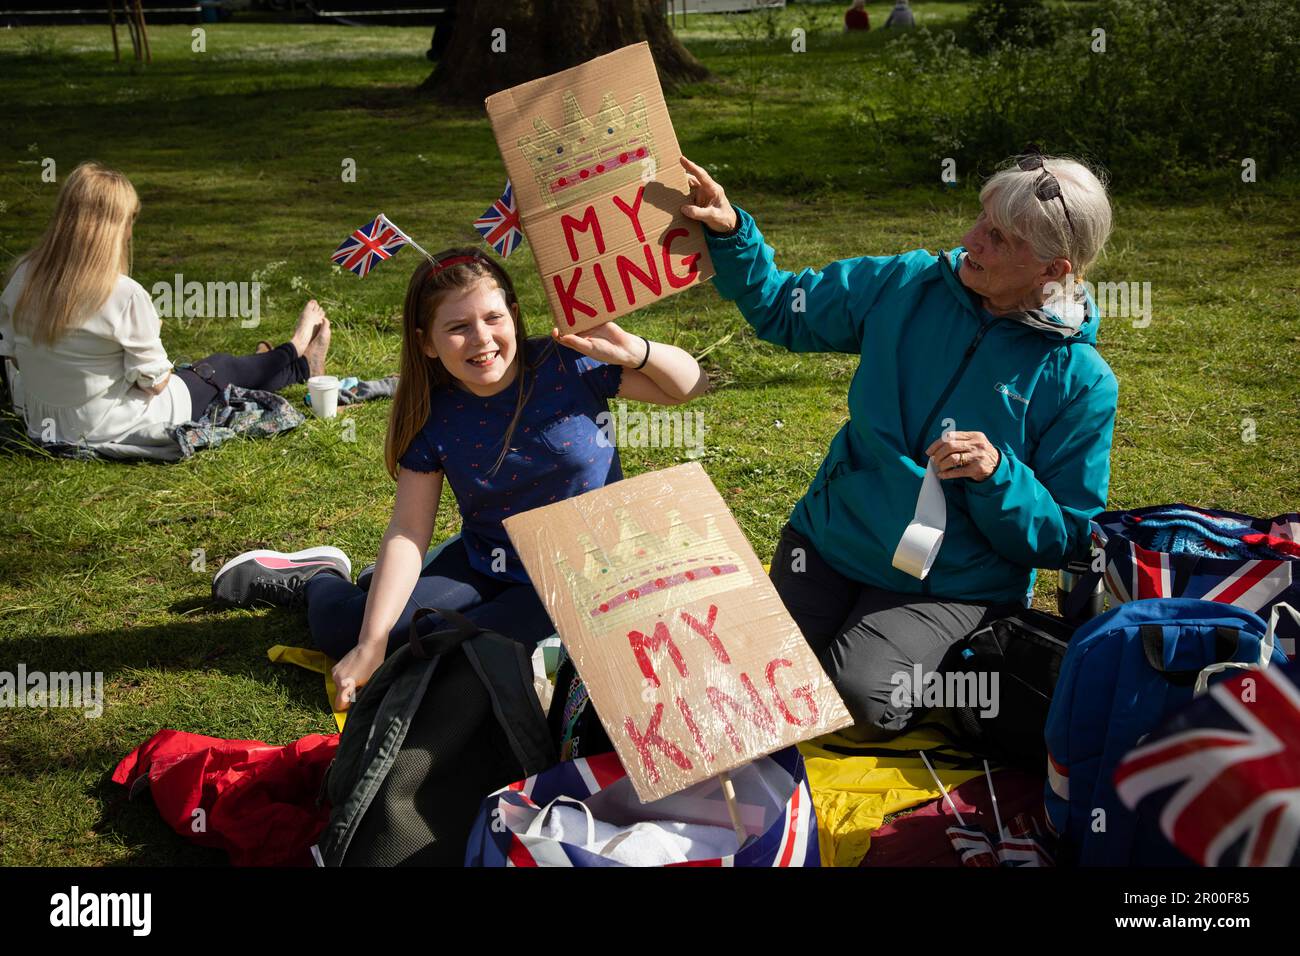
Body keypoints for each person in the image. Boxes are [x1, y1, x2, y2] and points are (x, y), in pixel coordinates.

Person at [679, 149, 1118, 739]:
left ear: (1051, 270)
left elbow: (1068, 536)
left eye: (998, 236)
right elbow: (788, 309)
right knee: (755, 683)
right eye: (979, 218)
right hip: (833, 542)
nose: (970, 240)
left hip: (955, 583)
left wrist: (998, 477)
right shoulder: (908, 283)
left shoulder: (1081, 380)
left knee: (857, 700)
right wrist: (733, 234)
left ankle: (968, 667)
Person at [211, 248, 710, 710]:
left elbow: (689, 386)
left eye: (494, 318)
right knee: (351, 631)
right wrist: (370, 642)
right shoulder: (433, 413)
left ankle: (375, 590)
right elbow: (408, 529)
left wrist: (633, 349)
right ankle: (321, 578)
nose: (482, 339)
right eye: (458, 328)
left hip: (578, 577)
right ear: (426, 342)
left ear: (514, 314)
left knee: (466, 661)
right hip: (485, 560)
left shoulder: (565, 363)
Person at [0, 161, 330, 457]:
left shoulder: (21, 276)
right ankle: (296, 348)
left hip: (43, 420)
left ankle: (299, 368)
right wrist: (150, 333)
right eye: (130, 220)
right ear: (115, 228)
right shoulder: (123, 295)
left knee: (210, 372)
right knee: (218, 369)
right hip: (106, 424)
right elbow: (155, 383)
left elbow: (13, 355)